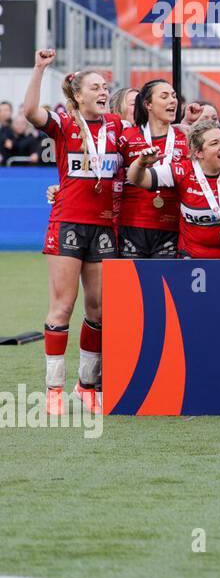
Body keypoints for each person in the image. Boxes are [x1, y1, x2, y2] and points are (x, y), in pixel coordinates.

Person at [22, 50, 122, 415]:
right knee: (62, 307)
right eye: (95, 86)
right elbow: (30, 112)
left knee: (98, 310)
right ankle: (53, 389)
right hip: (68, 223)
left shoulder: (117, 125)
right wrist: (39, 69)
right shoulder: (64, 122)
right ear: (78, 95)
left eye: (106, 87)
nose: (103, 91)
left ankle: (86, 385)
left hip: (104, 226)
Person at [127, 119, 220, 261]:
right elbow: (138, 179)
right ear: (199, 152)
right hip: (194, 257)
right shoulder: (182, 170)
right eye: (215, 143)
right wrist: (140, 163)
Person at [113, 80, 186, 259]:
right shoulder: (127, 138)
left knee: (164, 287)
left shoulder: (187, 138)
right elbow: (104, 171)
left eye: (174, 96)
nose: (173, 101)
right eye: (164, 96)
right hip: (132, 226)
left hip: (170, 227)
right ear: (148, 105)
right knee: (131, 287)